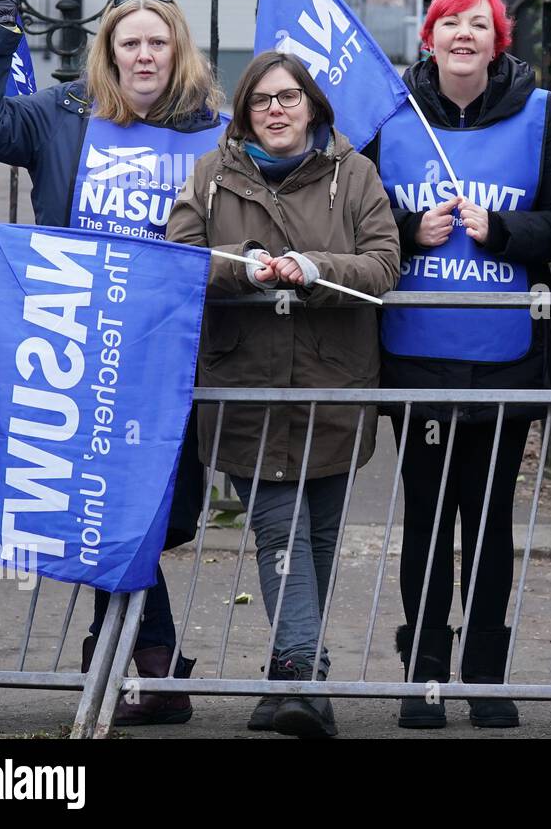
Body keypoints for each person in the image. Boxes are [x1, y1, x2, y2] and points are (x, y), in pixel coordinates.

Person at [0, 0, 227, 725]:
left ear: (178, 52)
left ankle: (138, 662)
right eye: (129, 42)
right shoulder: (63, 114)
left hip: (176, 356)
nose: (143, 55)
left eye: (157, 42)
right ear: (109, 53)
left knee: (164, 516)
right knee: (111, 510)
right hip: (85, 347)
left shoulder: (217, 131)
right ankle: (148, 669)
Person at [167, 51, 400, 739]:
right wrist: (246, 269)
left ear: (313, 105)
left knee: (318, 537)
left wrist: (311, 268)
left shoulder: (353, 174)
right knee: (280, 527)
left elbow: (384, 264)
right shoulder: (213, 175)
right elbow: (180, 258)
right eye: (262, 99)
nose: (276, 109)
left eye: (289, 97)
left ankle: (289, 672)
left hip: (335, 385)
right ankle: (301, 675)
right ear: (245, 111)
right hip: (246, 386)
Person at [365, 0, 551, 729]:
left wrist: (508, 232)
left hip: (502, 357)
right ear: (428, 36)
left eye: (477, 24)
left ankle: (485, 672)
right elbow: (349, 212)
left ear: (497, 39)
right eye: (449, 22)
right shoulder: (387, 115)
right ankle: (423, 674)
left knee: (488, 520)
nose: (462, 34)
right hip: (414, 356)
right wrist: (405, 225)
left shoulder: (546, 117)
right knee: (425, 515)